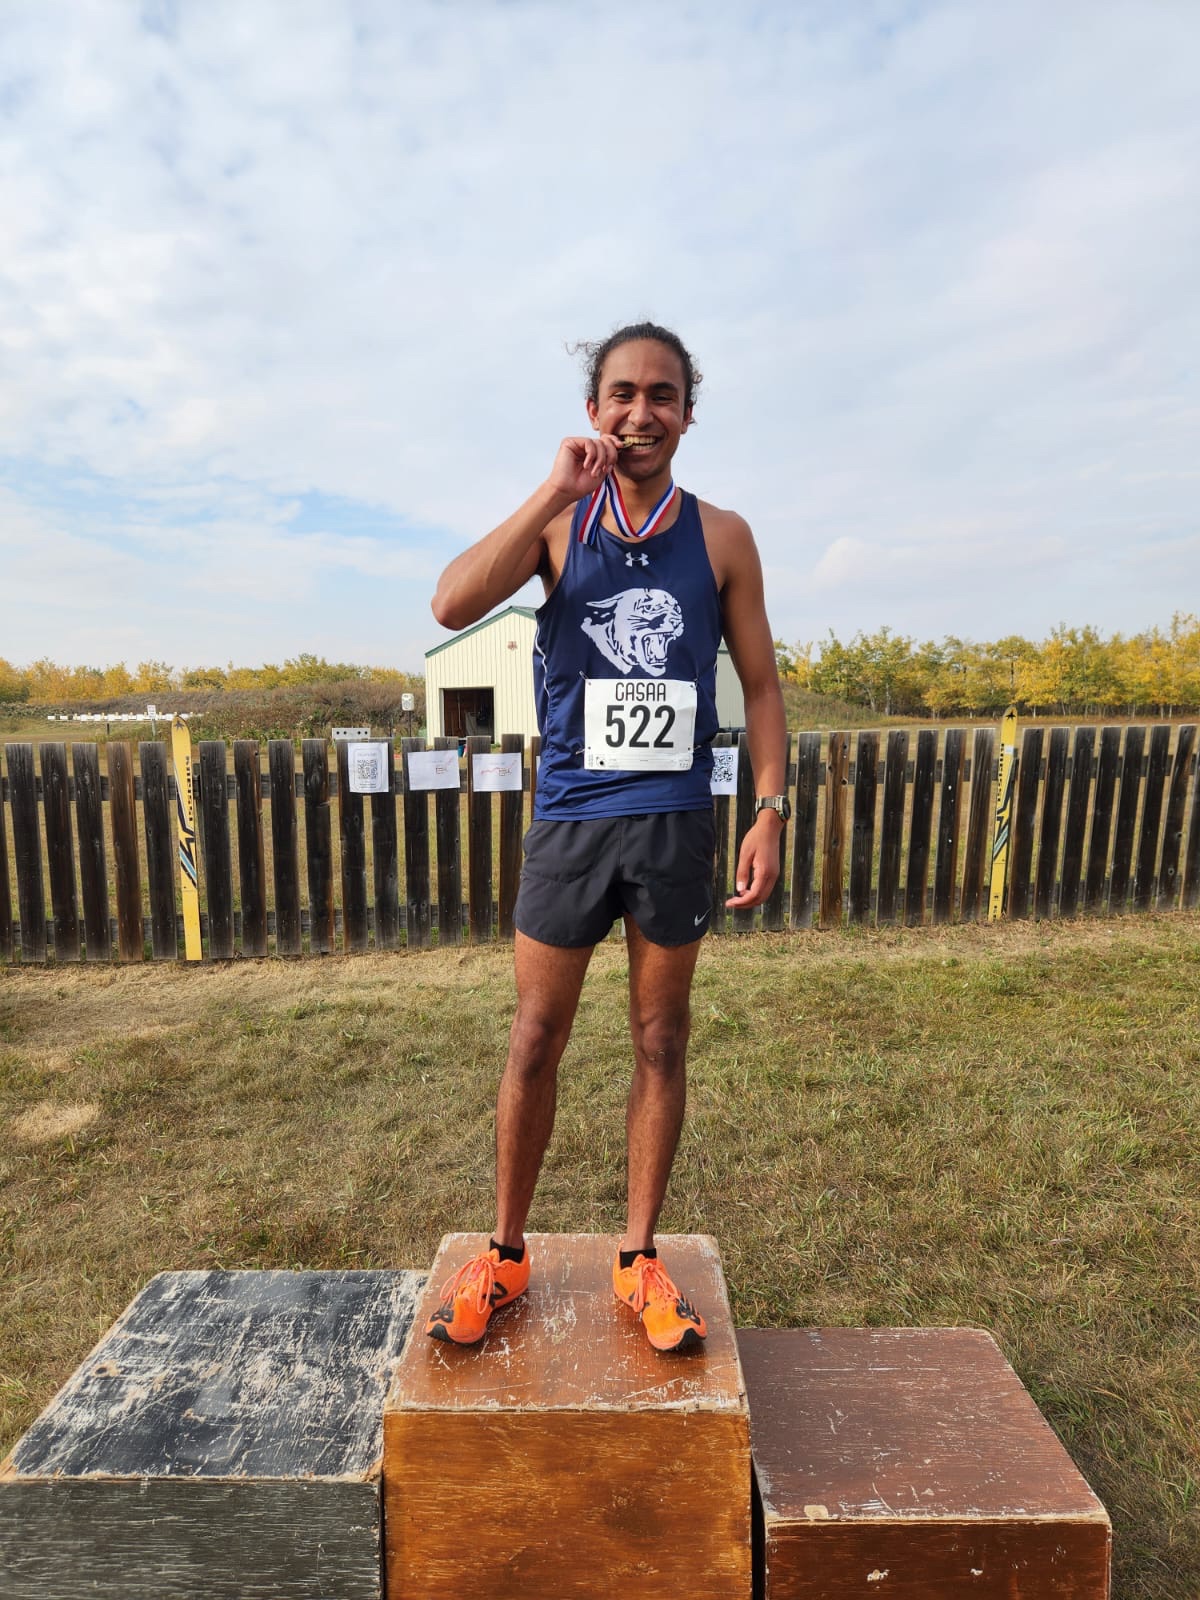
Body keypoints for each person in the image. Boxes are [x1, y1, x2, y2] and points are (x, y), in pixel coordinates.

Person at [426, 322, 787, 1351]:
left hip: (673, 826)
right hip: (572, 824)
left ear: (687, 412)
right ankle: (504, 1252)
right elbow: (451, 599)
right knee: (535, 1037)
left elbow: (760, 685)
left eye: (662, 395)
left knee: (660, 1040)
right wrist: (552, 491)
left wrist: (770, 806)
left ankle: (638, 1257)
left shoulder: (721, 536)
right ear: (594, 411)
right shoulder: (560, 523)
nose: (641, 412)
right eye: (621, 394)